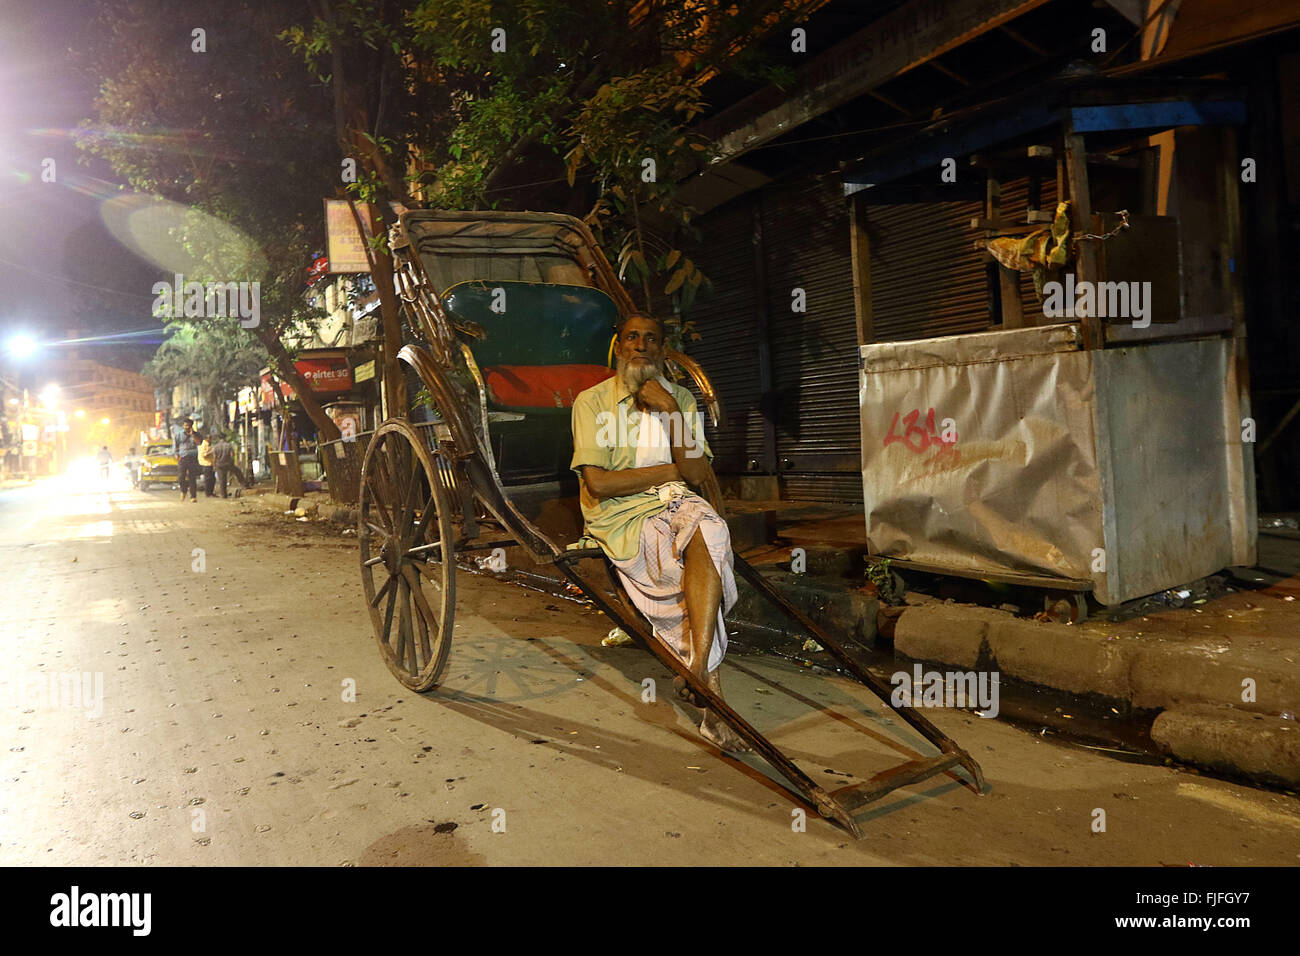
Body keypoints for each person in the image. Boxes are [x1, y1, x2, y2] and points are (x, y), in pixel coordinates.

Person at [570, 312, 749, 752]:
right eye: (632, 337)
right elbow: (601, 484)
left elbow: (698, 475)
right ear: (619, 346)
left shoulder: (681, 400)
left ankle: (697, 668)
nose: (641, 345)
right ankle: (711, 697)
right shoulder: (592, 402)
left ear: (663, 351)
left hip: (675, 503)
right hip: (621, 514)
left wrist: (668, 410)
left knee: (709, 527)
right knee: (677, 562)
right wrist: (673, 470)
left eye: (651, 339)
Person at [209, 431, 250, 498]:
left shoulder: (215, 446)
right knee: (238, 472)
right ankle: (244, 485)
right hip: (228, 464)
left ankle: (223, 495)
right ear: (225, 438)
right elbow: (232, 454)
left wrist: (214, 466)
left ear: (219, 438)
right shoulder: (229, 445)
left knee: (222, 480)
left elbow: (214, 457)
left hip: (219, 465)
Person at [174, 418, 199, 502]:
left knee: (192, 478)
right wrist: (176, 455)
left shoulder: (196, 434)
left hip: (193, 458)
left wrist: (193, 435)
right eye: (185, 425)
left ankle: (193, 496)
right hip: (183, 458)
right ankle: (183, 491)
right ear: (183, 426)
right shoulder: (179, 435)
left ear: (191, 426)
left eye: (188, 425)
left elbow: (199, 443)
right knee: (181, 477)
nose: (186, 427)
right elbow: (175, 445)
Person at [197, 431, 216, 497]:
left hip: (210, 464)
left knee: (212, 479)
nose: (211, 439)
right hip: (206, 464)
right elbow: (203, 455)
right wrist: (211, 452)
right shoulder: (204, 445)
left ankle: (211, 492)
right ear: (206, 439)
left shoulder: (209, 445)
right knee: (208, 479)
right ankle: (208, 493)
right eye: (210, 438)